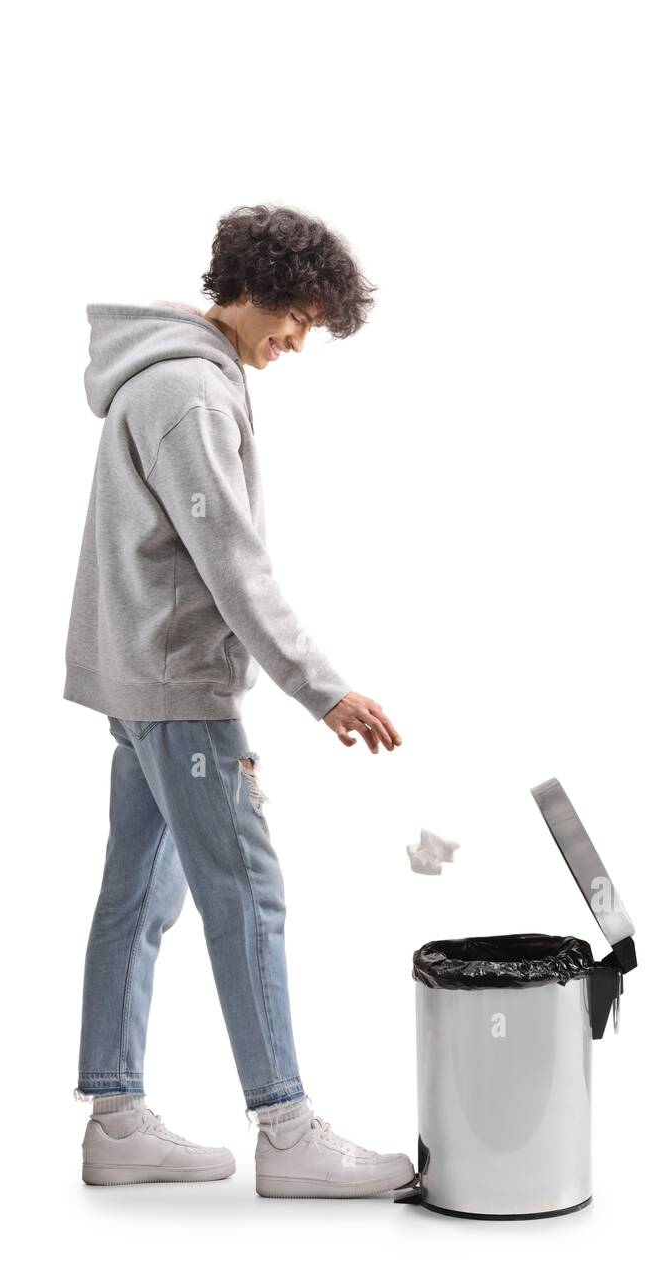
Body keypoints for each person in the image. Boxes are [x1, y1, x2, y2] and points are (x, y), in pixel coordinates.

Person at [64, 203, 415, 1197]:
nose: (299, 340)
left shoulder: (165, 372)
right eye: (297, 317)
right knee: (248, 897)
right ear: (253, 290)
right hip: (179, 691)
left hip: (138, 683)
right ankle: (288, 1129)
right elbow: (232, 567)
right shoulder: (192, 395)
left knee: (135, 897)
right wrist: (324, 689)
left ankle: (117, 1117)